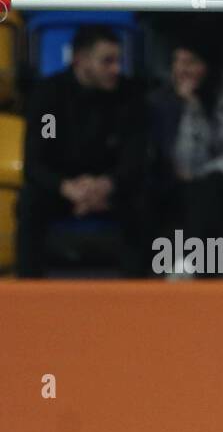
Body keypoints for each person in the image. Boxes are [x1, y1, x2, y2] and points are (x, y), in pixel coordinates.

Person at [17, 25, 150, 278]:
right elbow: (35, 162)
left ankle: (138, 291)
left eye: (118, 61)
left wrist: (106, 185)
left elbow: (135, 158)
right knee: (30, 201)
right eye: (107, 61)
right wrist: (67, 188)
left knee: (143, 200)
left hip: (110, 188)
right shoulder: (49, 97)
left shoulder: (129, 97)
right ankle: (28, 290)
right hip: (62, 189)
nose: (116, 69)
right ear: (80, 60)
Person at [149, 31, 223, 255]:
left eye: (190, 62)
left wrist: (208, 172)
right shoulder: (163, 100)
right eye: (176, 61)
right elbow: (183, 166)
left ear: (209, 65)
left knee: (208, 188)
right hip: (179, 190)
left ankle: (189, 266)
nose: (181, 70)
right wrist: (190, 108)